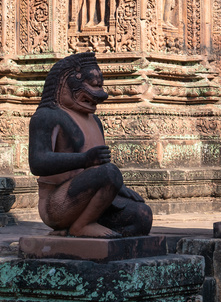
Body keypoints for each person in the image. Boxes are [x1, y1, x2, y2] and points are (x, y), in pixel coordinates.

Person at [29, 53, 151, 237]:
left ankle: (77, 230)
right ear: (64, 84)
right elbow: (37, 162)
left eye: (99, 87)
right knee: (109, 171)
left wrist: (119, 188)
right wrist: (84, 159)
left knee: (142, 216)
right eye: (91, 86)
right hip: (58, 203)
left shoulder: (95, 121)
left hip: (92, 201)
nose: (99, 95)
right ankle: (81, 226)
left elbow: (99, 168)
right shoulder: (47, 116)